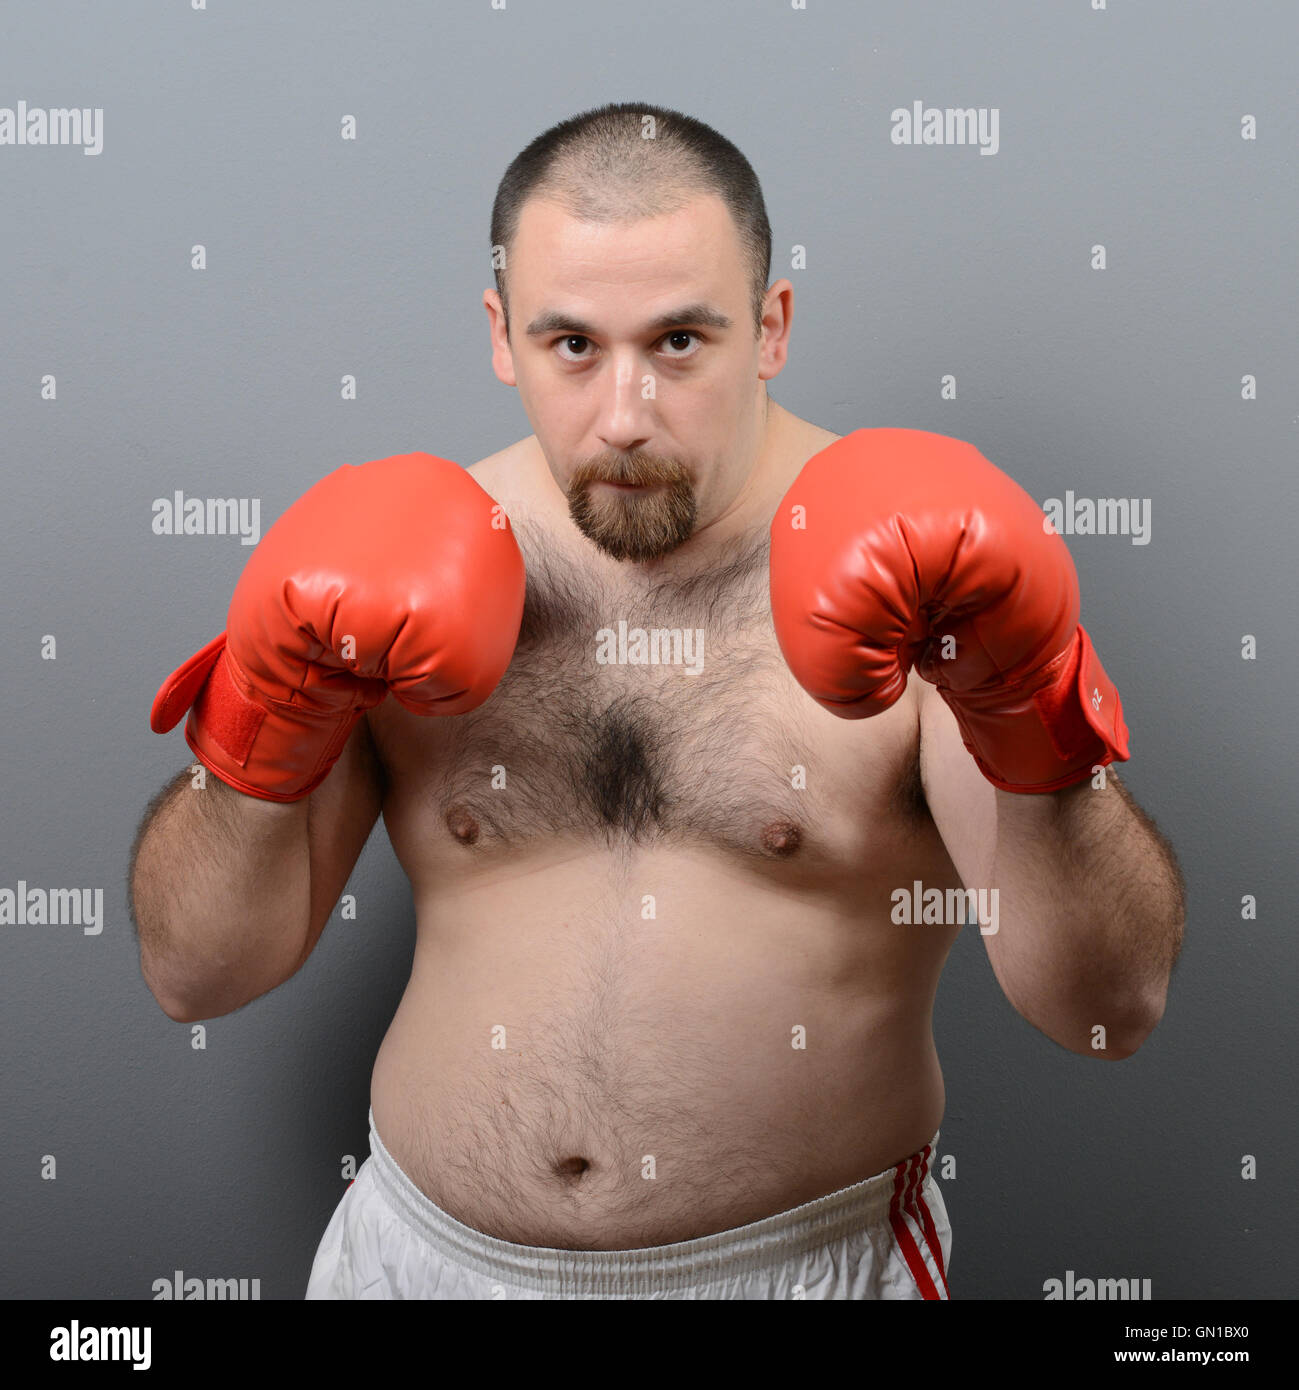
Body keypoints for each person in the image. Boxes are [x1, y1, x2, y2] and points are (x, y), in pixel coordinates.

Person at [130, 102, 1185, 1300]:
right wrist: (261, 722)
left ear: (772, 328)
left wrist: (1024, 698)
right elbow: (194, 975)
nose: (625, 415)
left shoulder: (919, 577)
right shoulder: (394, 571)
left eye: (680, 341)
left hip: (790, 1271)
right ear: (500, 336)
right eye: (571, 345)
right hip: (416, 1259)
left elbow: (1110, 1006)